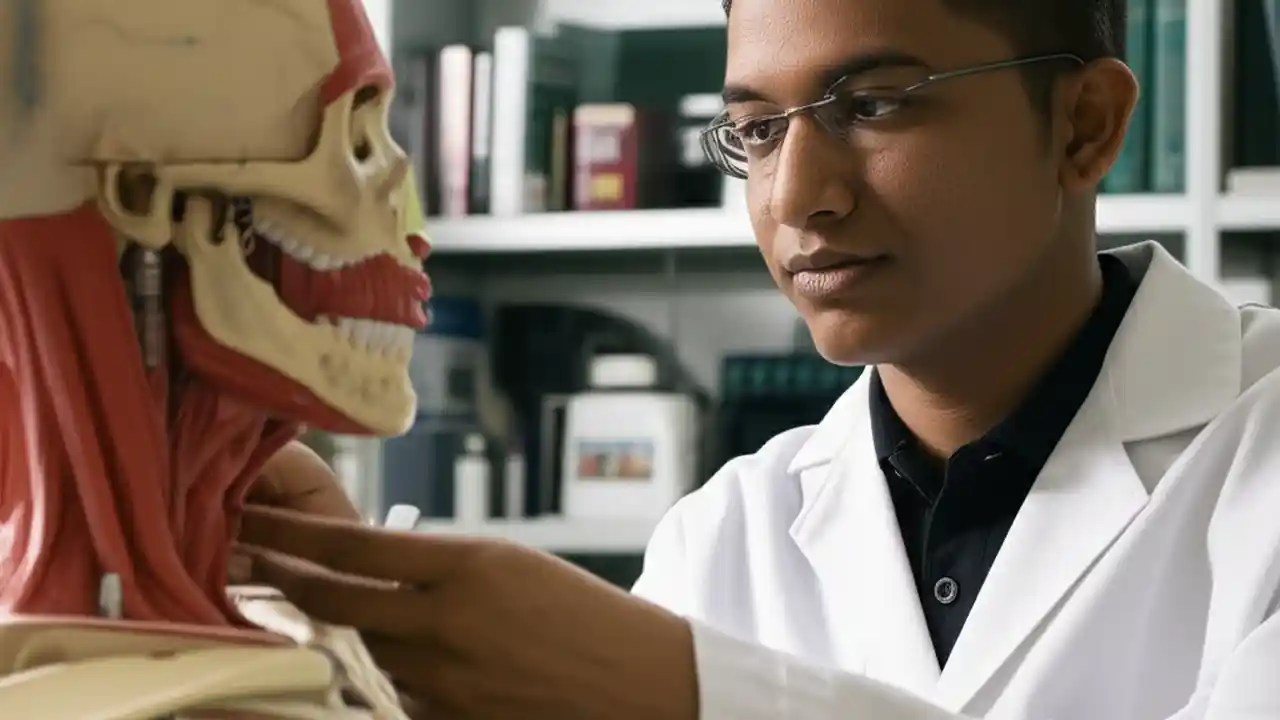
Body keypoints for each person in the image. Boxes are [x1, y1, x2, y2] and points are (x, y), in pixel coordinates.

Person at [239, 0, 1280, 717]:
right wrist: (358, 645)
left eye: (872, 105)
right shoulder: (723, 534)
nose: (795, 198)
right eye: (758, 130)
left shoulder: (1260, 445)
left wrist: (686, 692)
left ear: (1084, 127)